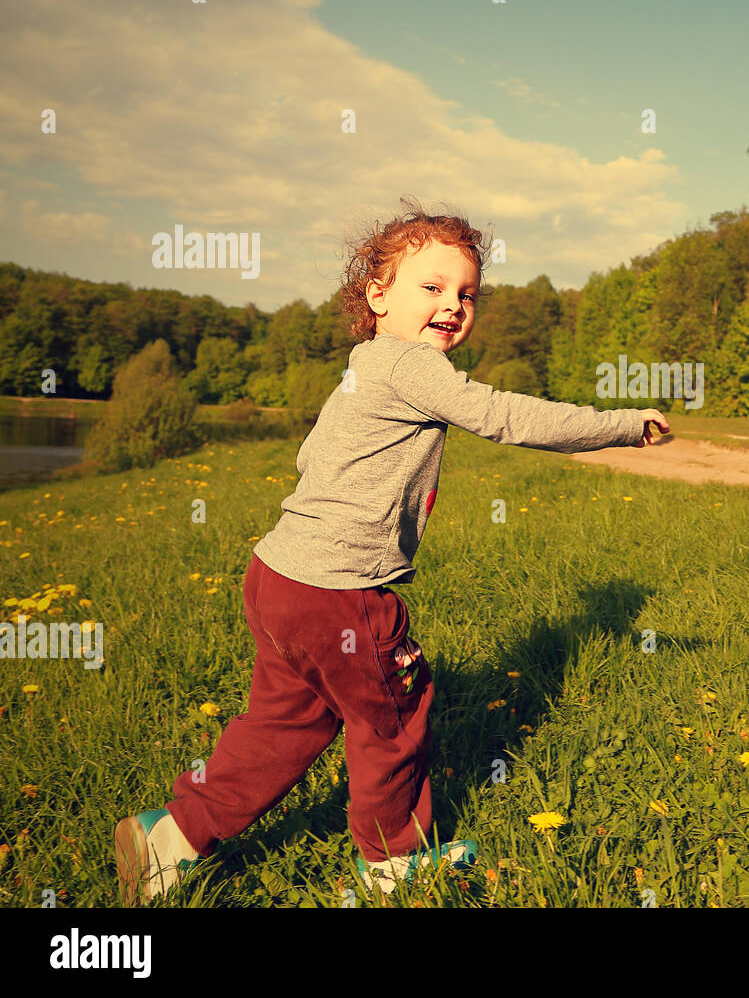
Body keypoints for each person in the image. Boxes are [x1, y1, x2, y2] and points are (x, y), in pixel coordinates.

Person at [114, 200, 669, 904]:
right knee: (395, 714)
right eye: (431, 288)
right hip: (338, 593)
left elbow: (310, 453)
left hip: (280, 578)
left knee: (286, 722)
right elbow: (504, 416)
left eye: (467, 294)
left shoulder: (364, 368)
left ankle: (172, 837)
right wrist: (621, 424)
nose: (453, 306)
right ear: (378, 295)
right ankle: (396, 863)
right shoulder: (413, 366)